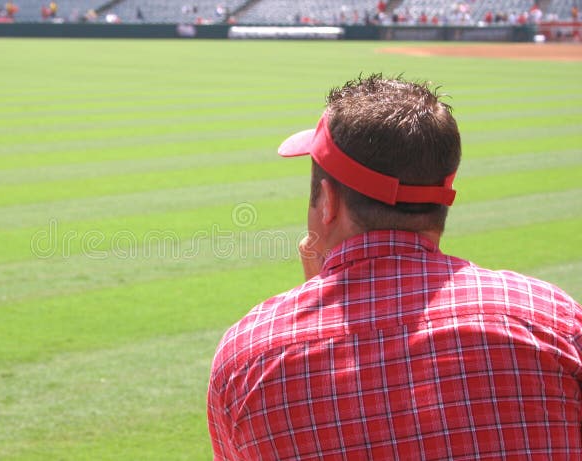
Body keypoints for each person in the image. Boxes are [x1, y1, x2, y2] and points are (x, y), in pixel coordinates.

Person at [207, 75, 582, 460]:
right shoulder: (554, 322)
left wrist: (320, 301)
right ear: (444, 193)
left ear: (328, 202)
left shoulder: (248, 358)